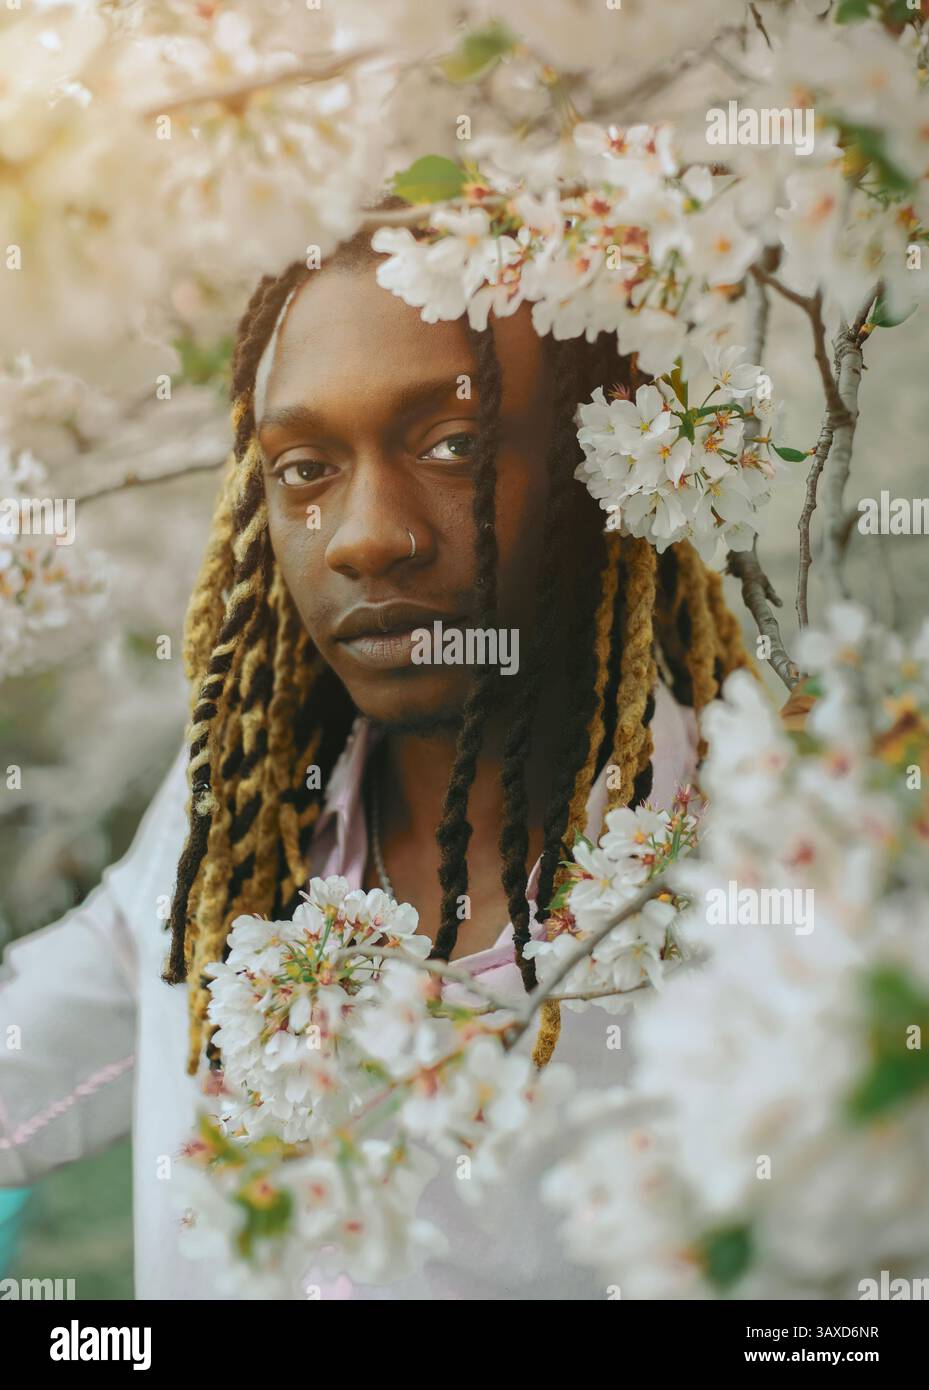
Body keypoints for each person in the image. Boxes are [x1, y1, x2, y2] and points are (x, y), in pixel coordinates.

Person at [0, 224, 755, 1299]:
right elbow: (66, 1024)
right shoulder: (243, 819)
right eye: (305, 468)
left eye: (453, 444)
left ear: (601, 464)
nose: (363, 536)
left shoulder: (766, 884)